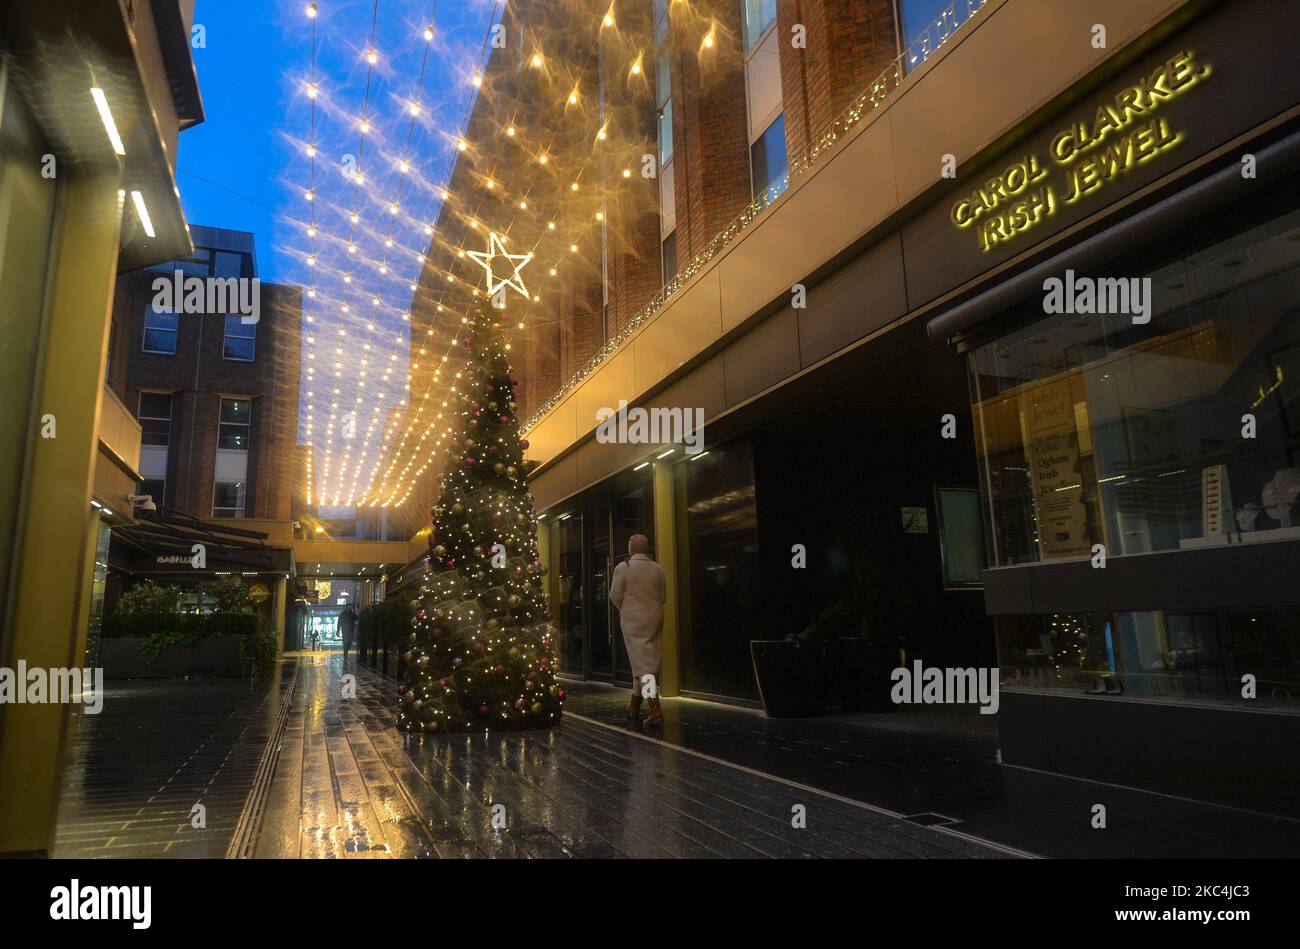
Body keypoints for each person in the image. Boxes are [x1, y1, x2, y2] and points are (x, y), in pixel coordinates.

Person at [609, 534, 667, 726]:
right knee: (647, 660)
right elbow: (663, 596)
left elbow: (614, 595)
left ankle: (655, 709)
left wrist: (626, 608)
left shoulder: (623, 568)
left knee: (643, 665)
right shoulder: (658, 569)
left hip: (633, 619)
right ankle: (634, 704)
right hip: (655, 617)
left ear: (630, 548)